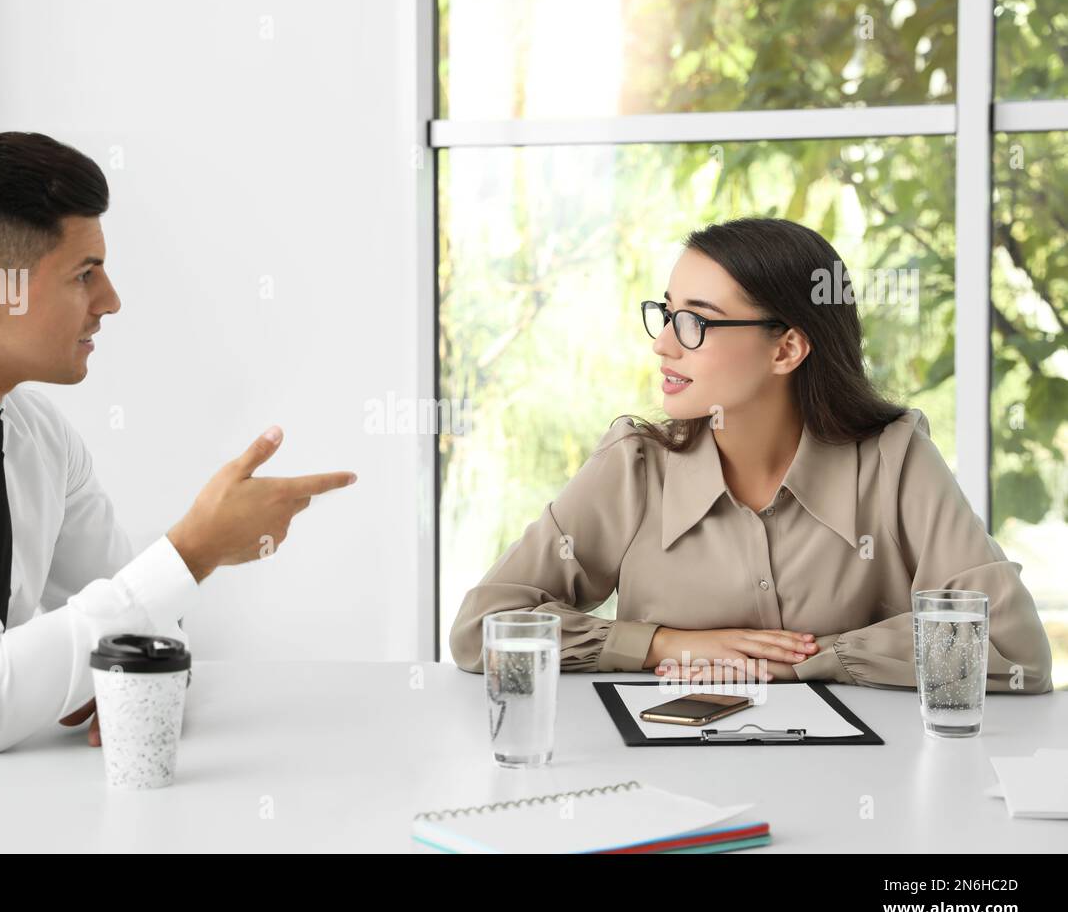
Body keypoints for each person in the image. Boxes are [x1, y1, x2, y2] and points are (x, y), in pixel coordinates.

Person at [0, 132, 356, 845]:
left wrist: (137, 675)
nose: (110, 300)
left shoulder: (35, 433)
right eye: (85, 274)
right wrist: (192, 549)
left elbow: (145, 636)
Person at [450, 217, 1053, 693]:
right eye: (666, 314)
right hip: (668, 788)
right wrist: (661, 644)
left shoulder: (895, 461)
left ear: (786, 348)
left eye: (696, 322)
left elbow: (1013, 648)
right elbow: (483, 630)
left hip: (866, 794)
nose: (663, 344)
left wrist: (808, 659)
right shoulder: (635, 466)